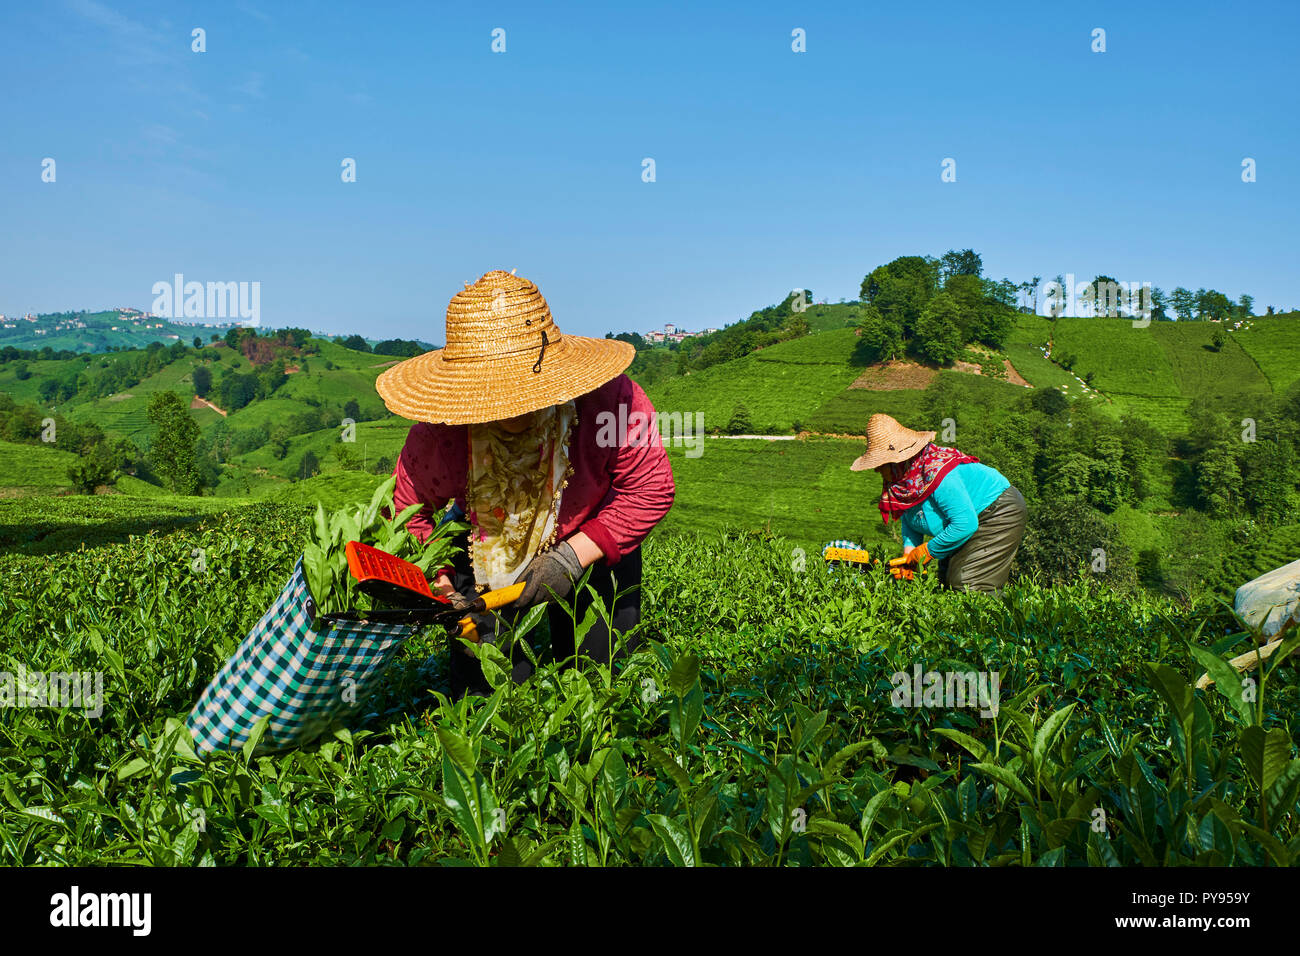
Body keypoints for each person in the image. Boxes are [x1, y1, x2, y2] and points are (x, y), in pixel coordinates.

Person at [376, 270, 675, 697]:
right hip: (483, 542)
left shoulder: (611, 401)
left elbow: (649, 487)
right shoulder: (441, 434)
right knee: (487, 693)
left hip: (592, 534)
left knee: (600, 681)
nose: (511, 410)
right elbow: (405, 512)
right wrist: (442, 588)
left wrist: (571, 558)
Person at [850, 414, 1027, 594]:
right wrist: (909, 556)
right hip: (967, 520)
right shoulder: (905, 484)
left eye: (882, 464)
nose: (877, 469)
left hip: (997, 511)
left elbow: (965, 524)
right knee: (946, 583)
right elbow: (911, 520)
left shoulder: (939, 474)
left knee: (968, 584)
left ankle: (1005, 611)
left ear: (899, 461)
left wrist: (927, 551)